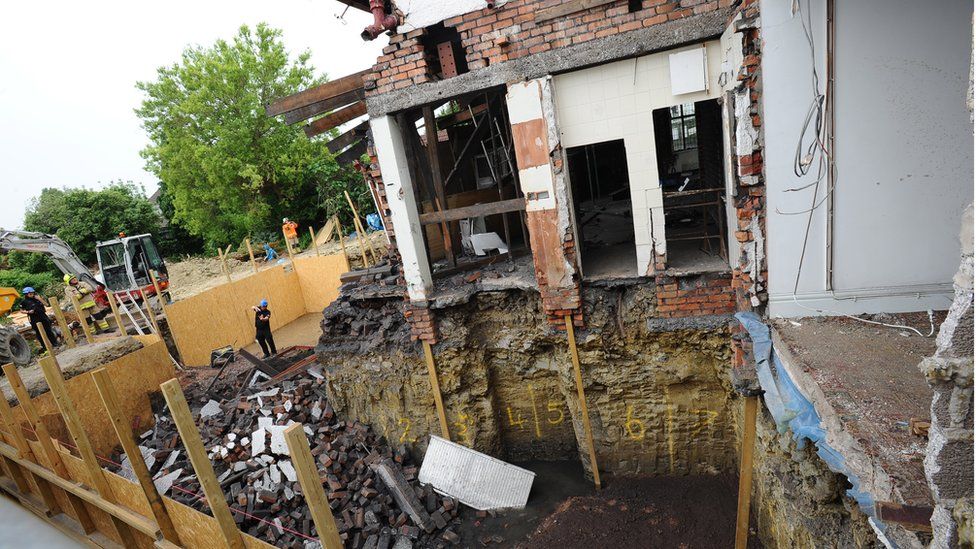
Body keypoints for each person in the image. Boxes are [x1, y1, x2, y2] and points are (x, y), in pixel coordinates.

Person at [20, 287, 58, 352]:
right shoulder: (24, 302)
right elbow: (21, 310)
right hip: (34, 318)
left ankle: (55, 344)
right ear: (26, 294)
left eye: (32, 293)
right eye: (30, 293)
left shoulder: (37, 298)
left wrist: (40, 299)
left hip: (43, 316)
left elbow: (46, 304)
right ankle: (45, 347)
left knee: (48, 331)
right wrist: (28, 312)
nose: (32, 294)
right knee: (39, 333)